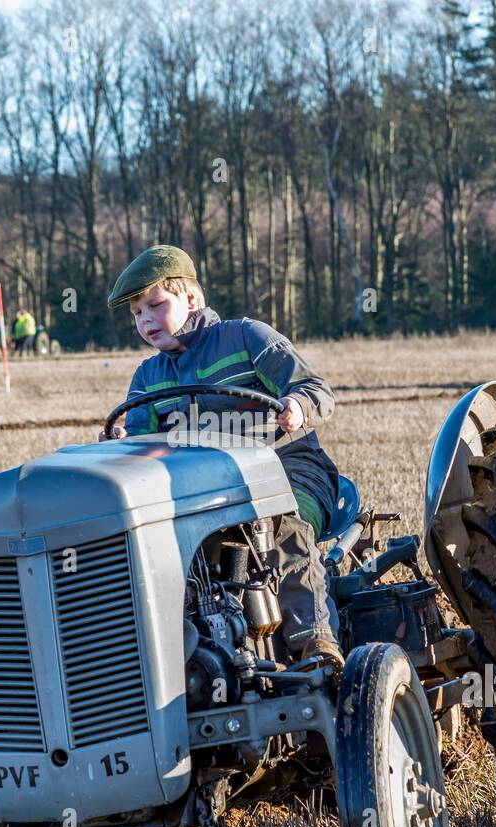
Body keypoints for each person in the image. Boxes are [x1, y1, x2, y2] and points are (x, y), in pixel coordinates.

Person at [100, 244, 344, 669]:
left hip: (289, 467)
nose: (145, 321)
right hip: (209, 489)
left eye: (156, 305)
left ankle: (315, 643)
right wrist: (119, 439)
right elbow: (136, 442)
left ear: (191, 298)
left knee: (284, 524)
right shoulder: (149, 376)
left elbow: (315, 389)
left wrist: (298, 406)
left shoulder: (247, 337)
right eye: (137, 314)